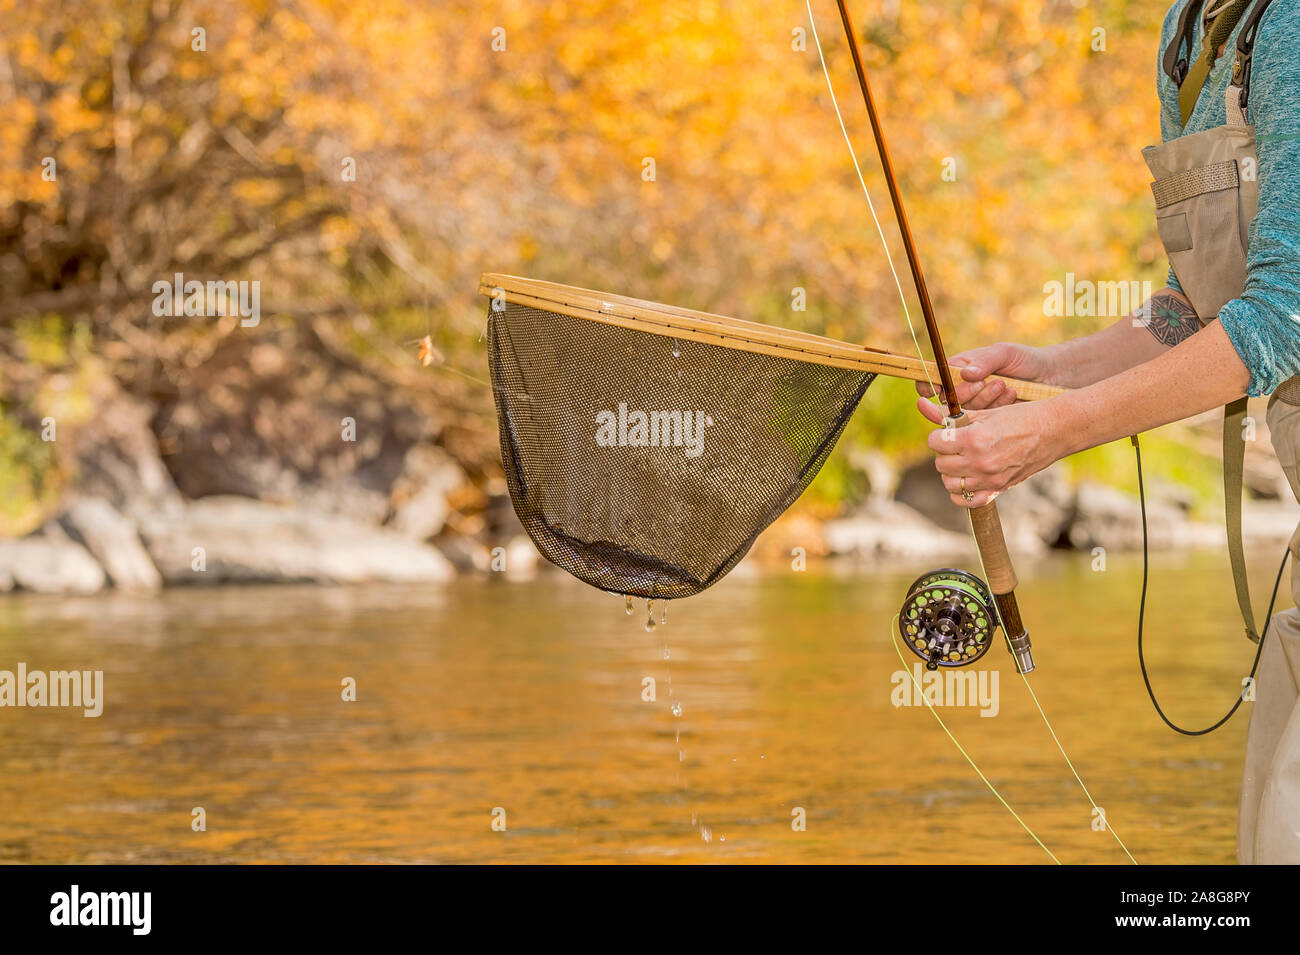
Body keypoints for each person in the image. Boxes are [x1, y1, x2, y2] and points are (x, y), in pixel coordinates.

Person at [917, 0, 1300, 863]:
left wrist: (1051, 435)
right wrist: (1044, 374)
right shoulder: (1186, 38)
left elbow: (1279, 320)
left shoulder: (1294, 33)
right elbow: (1193, 309)